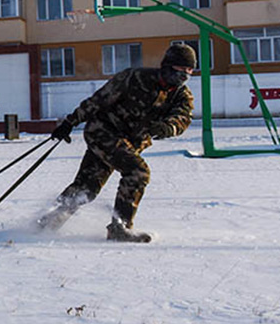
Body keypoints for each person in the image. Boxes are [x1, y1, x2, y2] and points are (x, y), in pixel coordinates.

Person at [36, 43, 196, 242]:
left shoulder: (182, 95)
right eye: (180, 70)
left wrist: (166, 128)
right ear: (167, 66)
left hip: (129, 143)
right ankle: (120, 228)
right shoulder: (134, 78)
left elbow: (181, 119)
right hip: (102, 132)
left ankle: (45, 224)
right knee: (138, 172)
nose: (184, 76)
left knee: (87, 188)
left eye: (189, 71)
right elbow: (98, 100)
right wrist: (70, 122)